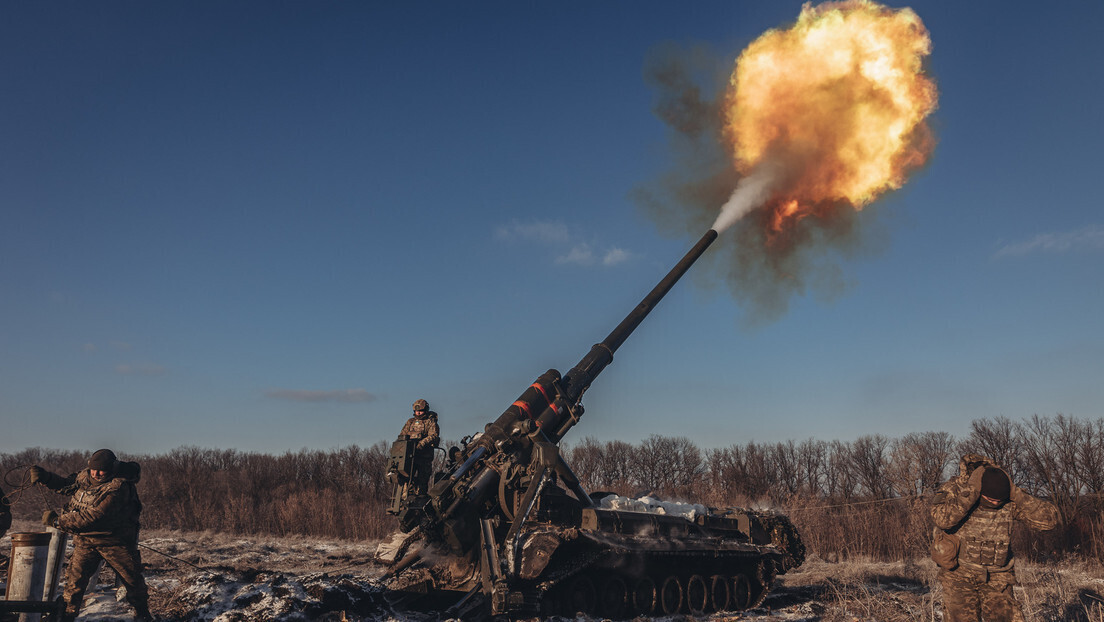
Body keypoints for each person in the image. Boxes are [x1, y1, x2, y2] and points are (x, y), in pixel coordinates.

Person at [930, 453, 1060, 622]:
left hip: (998, 576)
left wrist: (1017, 495)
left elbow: (1050, 521)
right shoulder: (954, 489)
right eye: (989, 499)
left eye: (999, 501)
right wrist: (970, 495)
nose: (995, 503)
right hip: (958, 574)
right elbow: (942, 520)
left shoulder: (1008, 495)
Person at [29, 449, 152, 622]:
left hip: (115, 542)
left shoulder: (119, 487)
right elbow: (66, 485)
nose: (96, 473)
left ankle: (143, 614)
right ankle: (66, 617)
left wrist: (57, 522)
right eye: (94, 469)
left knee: (132, 580)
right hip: (86, 541)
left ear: (111, 468)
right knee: (74, 584)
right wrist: (46, 477)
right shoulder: (85, 477)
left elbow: (93, 518)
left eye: (101, 470)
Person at [399, 398, 440, 494]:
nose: (418, 413)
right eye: (417, 411)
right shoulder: (410, 422)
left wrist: (421, 443)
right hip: (410, 457)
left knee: (422, 484)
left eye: (420, 411)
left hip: (424, 457)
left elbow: (433, 435)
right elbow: (402, 436)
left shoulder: (430, 422)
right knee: (406, 483)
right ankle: (404, 503)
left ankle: (419, 503)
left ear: (425, 410)